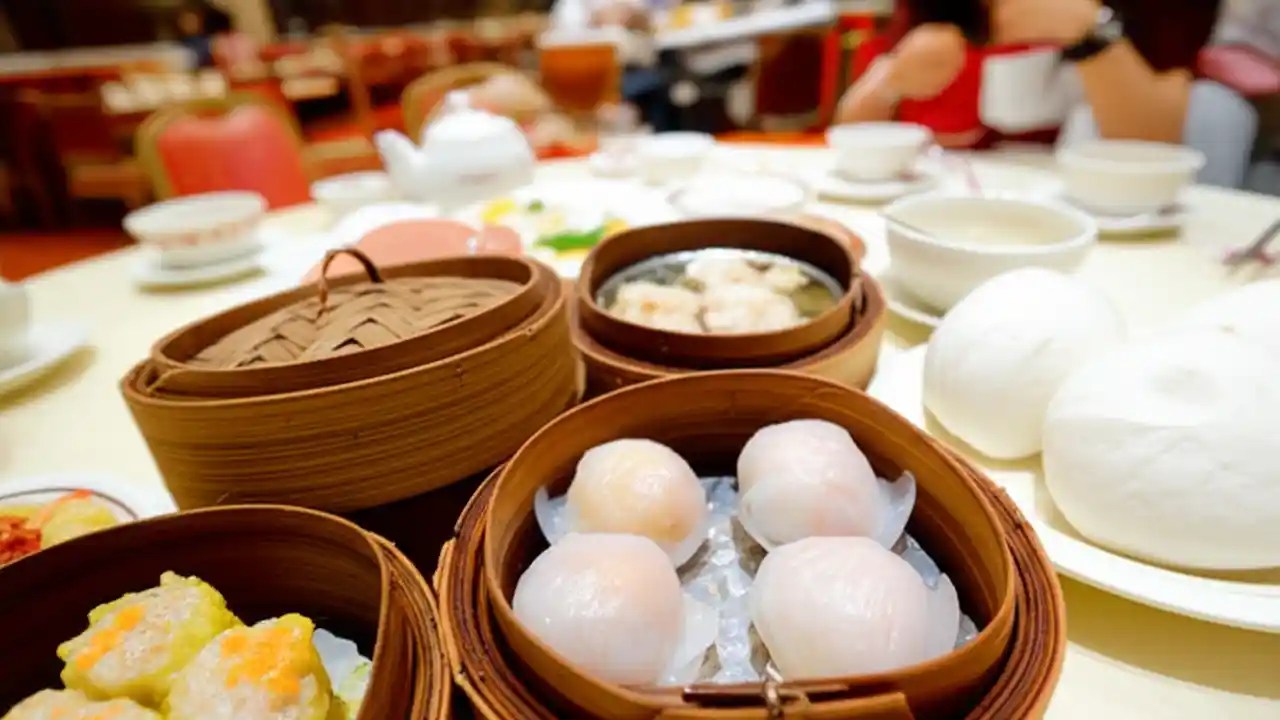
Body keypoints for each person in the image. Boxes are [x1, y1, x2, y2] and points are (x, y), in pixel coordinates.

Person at [836, 0, 1258, 188]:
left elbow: (1152, 146)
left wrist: (1091, 31)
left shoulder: (1147, 15)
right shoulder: (935, 14)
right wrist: (889, 81)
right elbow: (846, 134)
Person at [549, 0, 679, 131]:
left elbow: (653, 22)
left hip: (632, 70)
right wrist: (596, 18)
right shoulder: (571, 7)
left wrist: (632, 17)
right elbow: (567, 41)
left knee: (661, 84)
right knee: (656, 85)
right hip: (589, 80)